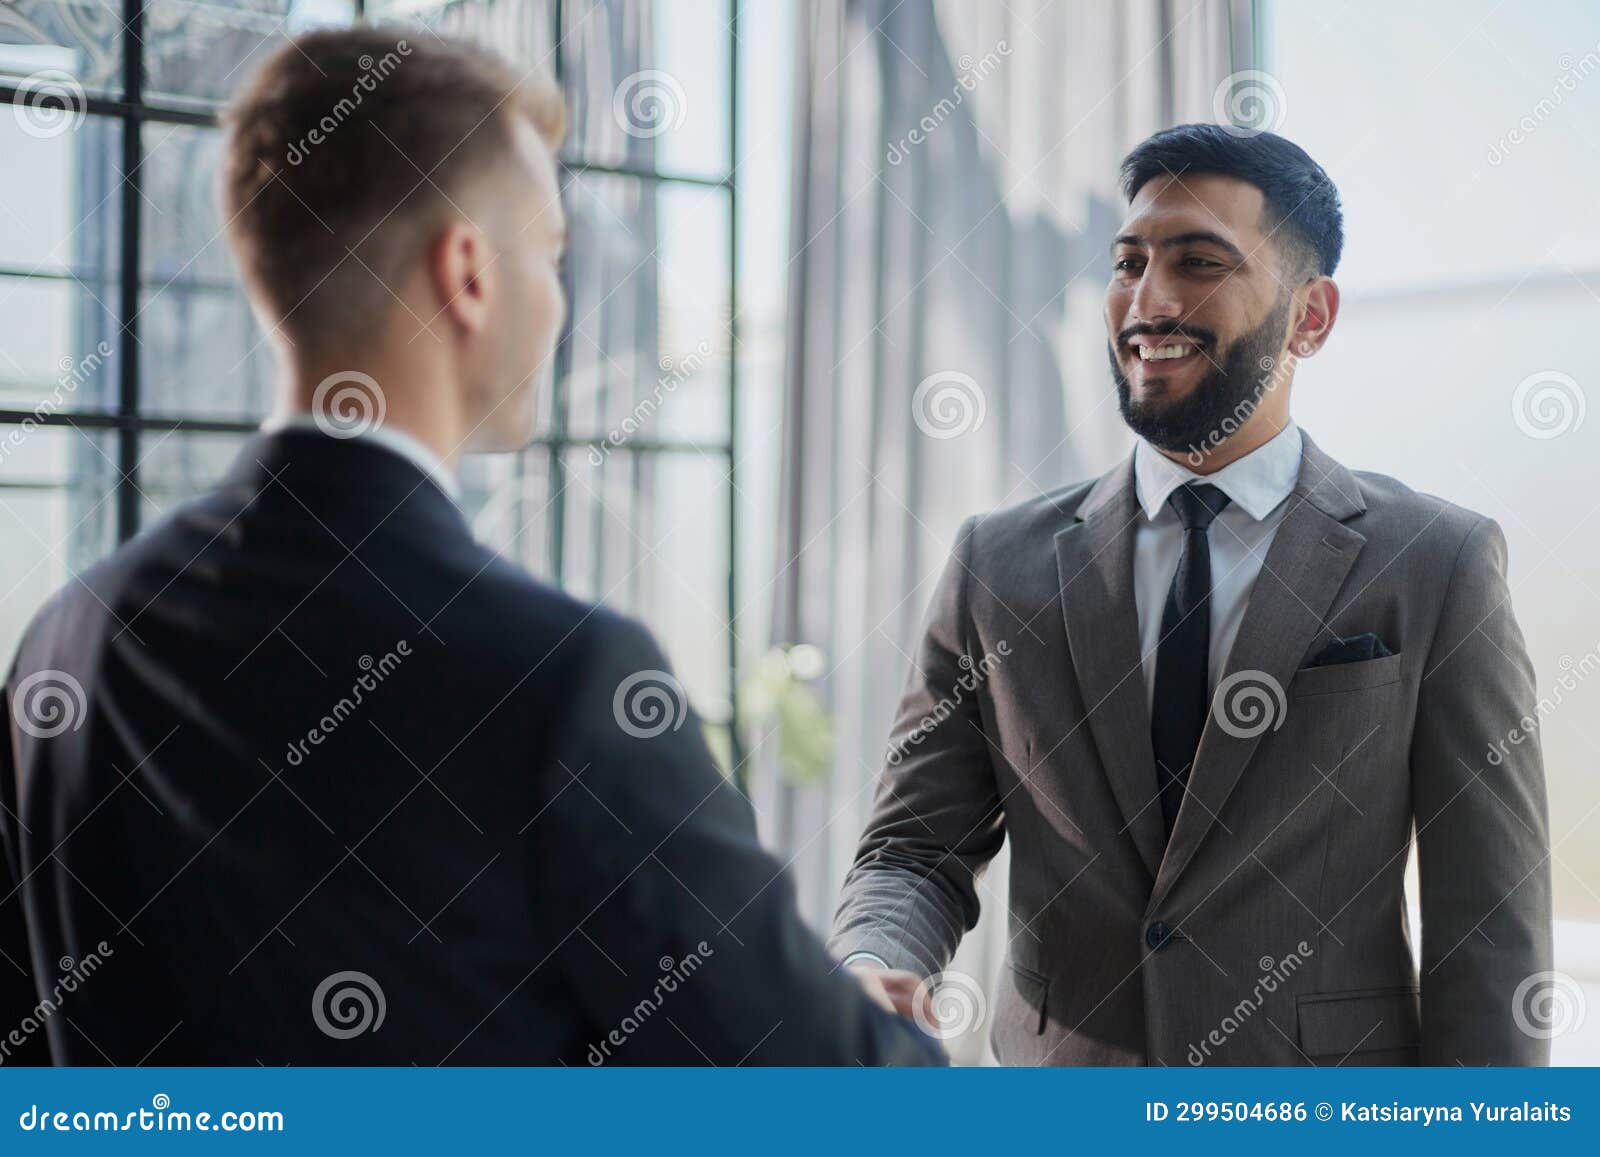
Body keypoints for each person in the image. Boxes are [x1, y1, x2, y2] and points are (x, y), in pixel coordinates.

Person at [0, 27, 940, 1067]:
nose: (559, 299)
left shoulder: (68, 640)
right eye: (549, 252)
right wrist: (863, 1020)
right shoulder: (560, 679)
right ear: (468, 271)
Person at [830, 124, 1552, 1066]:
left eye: (1198, 261)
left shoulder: (1435, 564)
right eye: (1129, 262)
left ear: (1311, 317)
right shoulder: (995, 566)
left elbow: (1490, 933)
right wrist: (871, 956)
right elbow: (914, 848)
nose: (1149, 298)